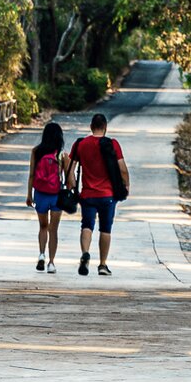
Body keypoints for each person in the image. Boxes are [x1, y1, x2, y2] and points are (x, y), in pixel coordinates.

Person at [69, 113, 129, 277]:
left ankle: (85, 253)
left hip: (88, 194)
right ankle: (102, 264)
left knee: (86, 225)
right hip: (108, 195)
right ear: (105, 127)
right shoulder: (112, 144)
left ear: (91, 126)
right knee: (105, 229)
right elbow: (122, 168)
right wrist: (126, 186)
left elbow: (70, 168)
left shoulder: (80, 144)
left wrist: (73, 185)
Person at [26, 121, 68, 273]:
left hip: (40, 194)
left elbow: (31, 175)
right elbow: (65, 178)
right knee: (53, 230)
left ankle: (41, 254)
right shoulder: (61, 155)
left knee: (43, 227)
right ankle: (51, 263)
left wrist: (29, 195)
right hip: (56, 195)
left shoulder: (36, 151)